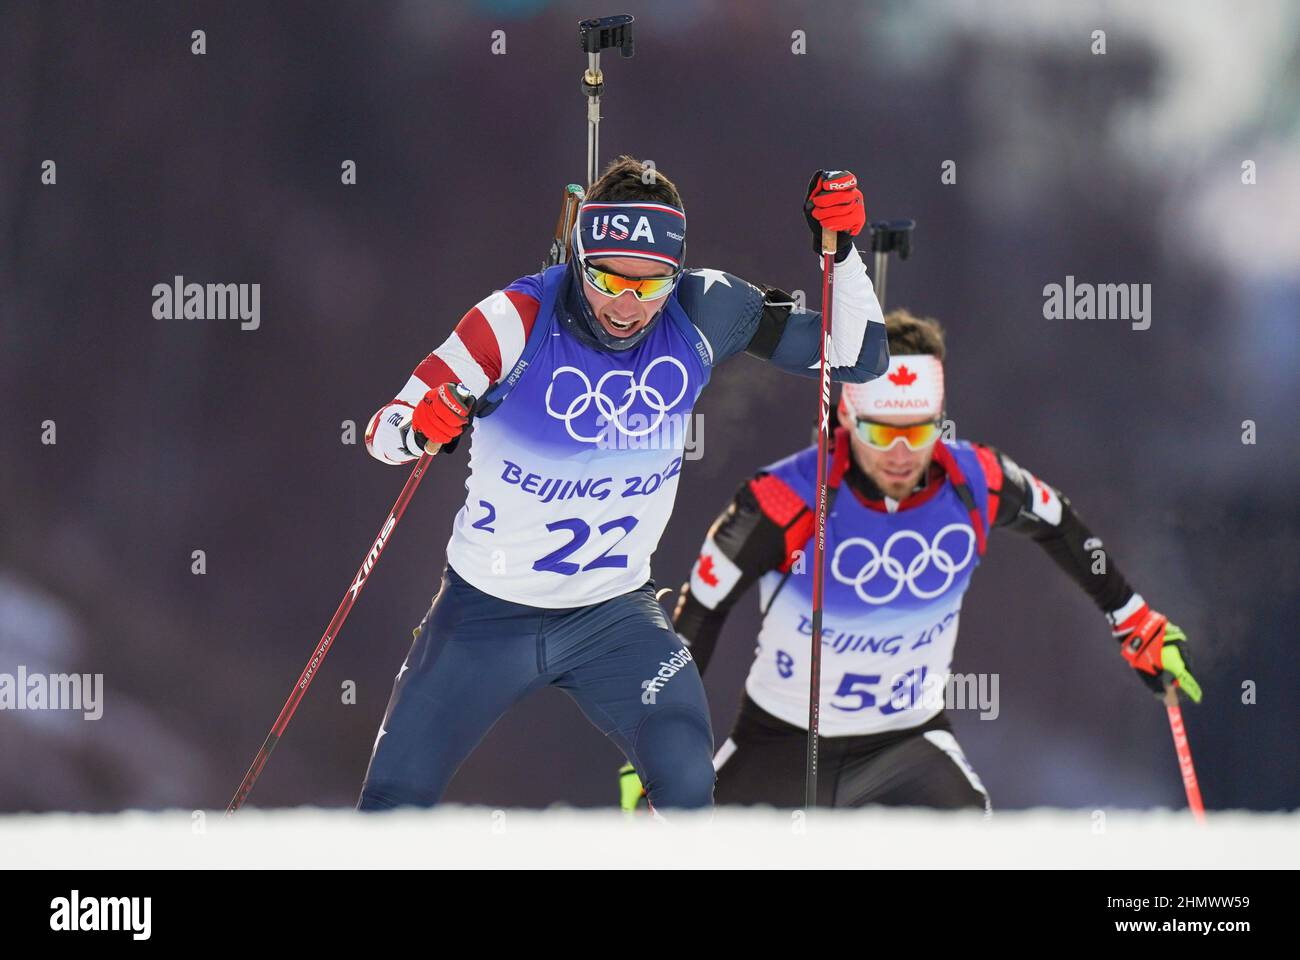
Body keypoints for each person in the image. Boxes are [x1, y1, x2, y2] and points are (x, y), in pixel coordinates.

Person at [356, 157, 888, 812]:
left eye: (652, 284)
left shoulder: (704, 308)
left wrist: (841, 254)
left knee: (688, 775)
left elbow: (858, 356)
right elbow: (385, 431)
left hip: (613, 617)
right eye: (609, 279)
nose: (629, 305)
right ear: (580, 258)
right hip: (483, 615)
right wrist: (422, 427)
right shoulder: (512, 319)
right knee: (389, 806)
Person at [621, 308, 1201, 812]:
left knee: (968, 835)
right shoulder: (787, 496)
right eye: (880, 432)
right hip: (783, 740)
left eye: (917, 431)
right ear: (848, 420)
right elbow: (699, 612)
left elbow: (1062, 526)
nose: (901, 455)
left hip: (904, 743)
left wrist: (1132, 618)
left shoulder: (976, 480)